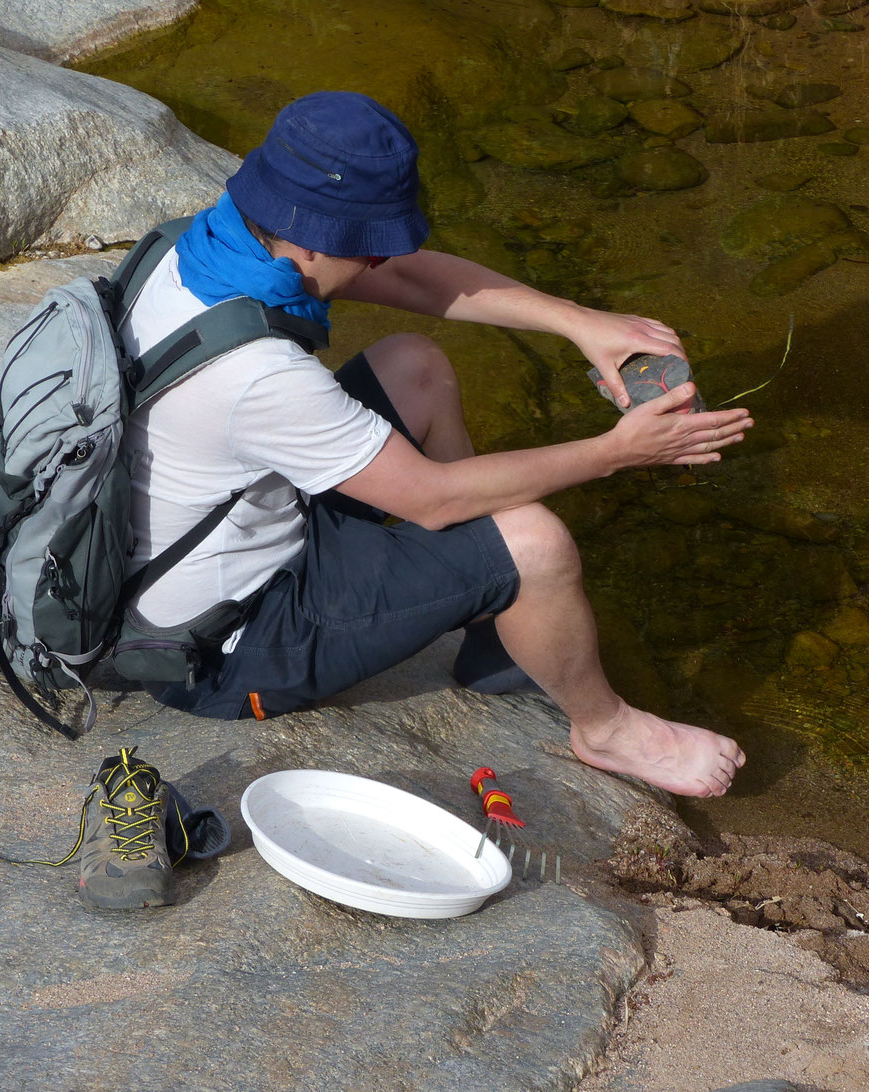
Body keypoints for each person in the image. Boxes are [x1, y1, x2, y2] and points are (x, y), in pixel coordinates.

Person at [119, 91, 751, 799]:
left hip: (223, 525)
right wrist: (620, 450)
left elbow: (413, 278)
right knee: (534, 543)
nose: (385, 262)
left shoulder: (206, 245)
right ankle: (605, 730)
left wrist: (581, 323)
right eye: (372, 249)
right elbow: (432, 500)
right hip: (225, 647)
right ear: (318, 241)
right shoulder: (259, 376)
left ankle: (494, 613)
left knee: (414, 365)